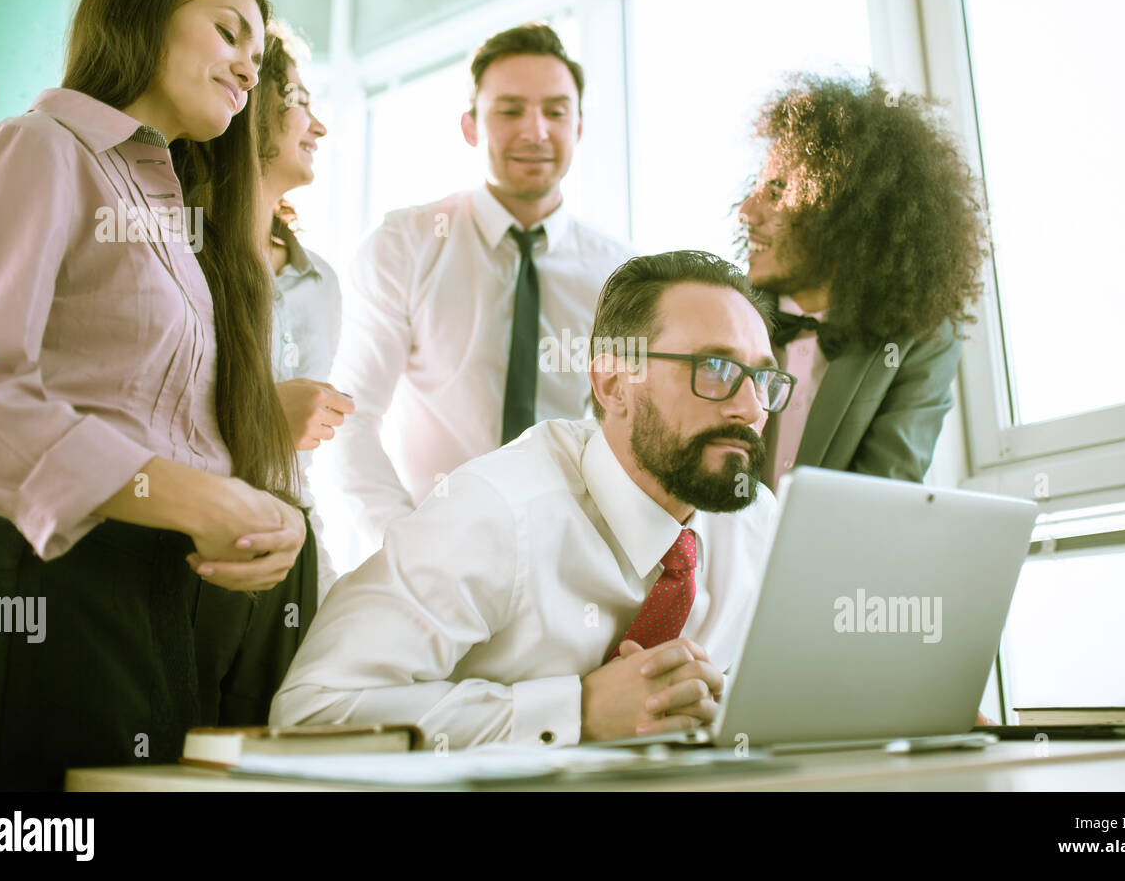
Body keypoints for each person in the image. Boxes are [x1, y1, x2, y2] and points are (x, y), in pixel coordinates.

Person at [0, 0, 310, 790]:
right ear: (144, 12)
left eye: (258, 61)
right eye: (228, 33)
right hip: (46, 585)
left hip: (160, 595)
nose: (247, 69)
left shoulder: (171, 215)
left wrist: (263, 511)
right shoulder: (39, 148)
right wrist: (196, 495)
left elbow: (170, 418)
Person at [272, 251, 788, 747]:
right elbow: (311, 711)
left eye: (763, 378)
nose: (751, 407)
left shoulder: (761, 524)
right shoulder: (495, 511)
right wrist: (575, 712)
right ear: (612, 386)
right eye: (714, 369)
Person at [328, 22, 634, 555]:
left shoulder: (621, 275)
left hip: (569, 559)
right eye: (510, 110)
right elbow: (350, 419)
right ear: (471, 127)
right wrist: (411, 547)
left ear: (579, 126)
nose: (535, 131)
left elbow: (629, 433)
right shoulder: (404, 246)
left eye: (556, 111)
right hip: (430, 552)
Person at [740, 72, 988, 489]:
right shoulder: (729, 315)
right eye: (756, 188)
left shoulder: (923, 341)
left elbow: (881, 494)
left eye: (778, 192)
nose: (747, 211)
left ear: (846, 212)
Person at [253, 20, 350, 603]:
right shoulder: (182, 258)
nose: (318, 126)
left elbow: (298, 469)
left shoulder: (322, 284)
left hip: (291, 549)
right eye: (300, 103)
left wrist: (321, 586)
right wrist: (262, 421)